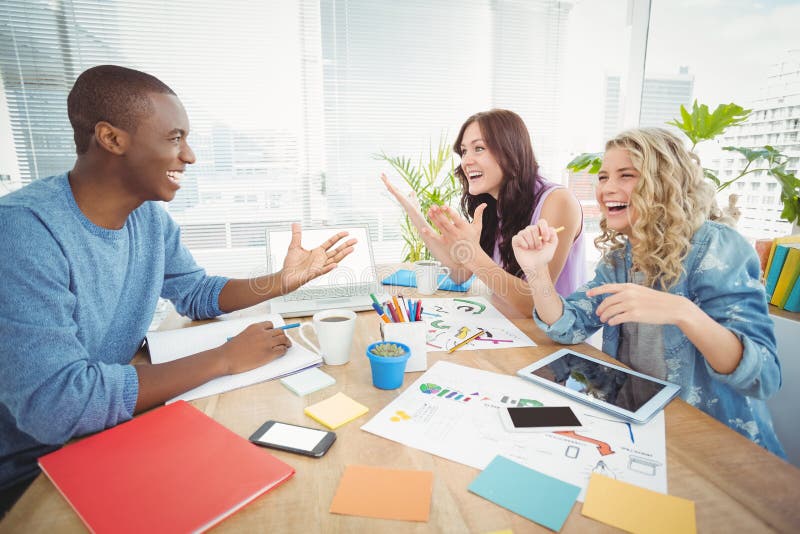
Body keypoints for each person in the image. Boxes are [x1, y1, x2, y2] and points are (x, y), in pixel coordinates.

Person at [0, 65, 356, 513]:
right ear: (111, 139)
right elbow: (56, 407)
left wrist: (283, 282)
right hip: (32, 474)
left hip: (109, 431)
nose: (189, 156)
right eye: (174, 138)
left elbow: (196, 292)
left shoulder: (148, 219)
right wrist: (223, 358)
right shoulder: (22, 234)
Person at [511, 127, 785, 457]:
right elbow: (569, 327)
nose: (607, 188)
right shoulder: (619, 260)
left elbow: (763, 377)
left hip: (718, 449)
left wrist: (683, 313)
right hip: (647, 430)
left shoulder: (717, 246)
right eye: (603, 177)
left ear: (665, 181)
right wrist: (537, 271)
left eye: (626, 175)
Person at [381, 109, 586, 316]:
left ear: (511, 152)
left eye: (478, 148)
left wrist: (473, 255)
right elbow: (460, 274)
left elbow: (534, 305)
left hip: (549, 341)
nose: (466, 161)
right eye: (463, 152)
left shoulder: (559, 201)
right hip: (508, 330)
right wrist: (415, 214)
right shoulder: (493, 204)